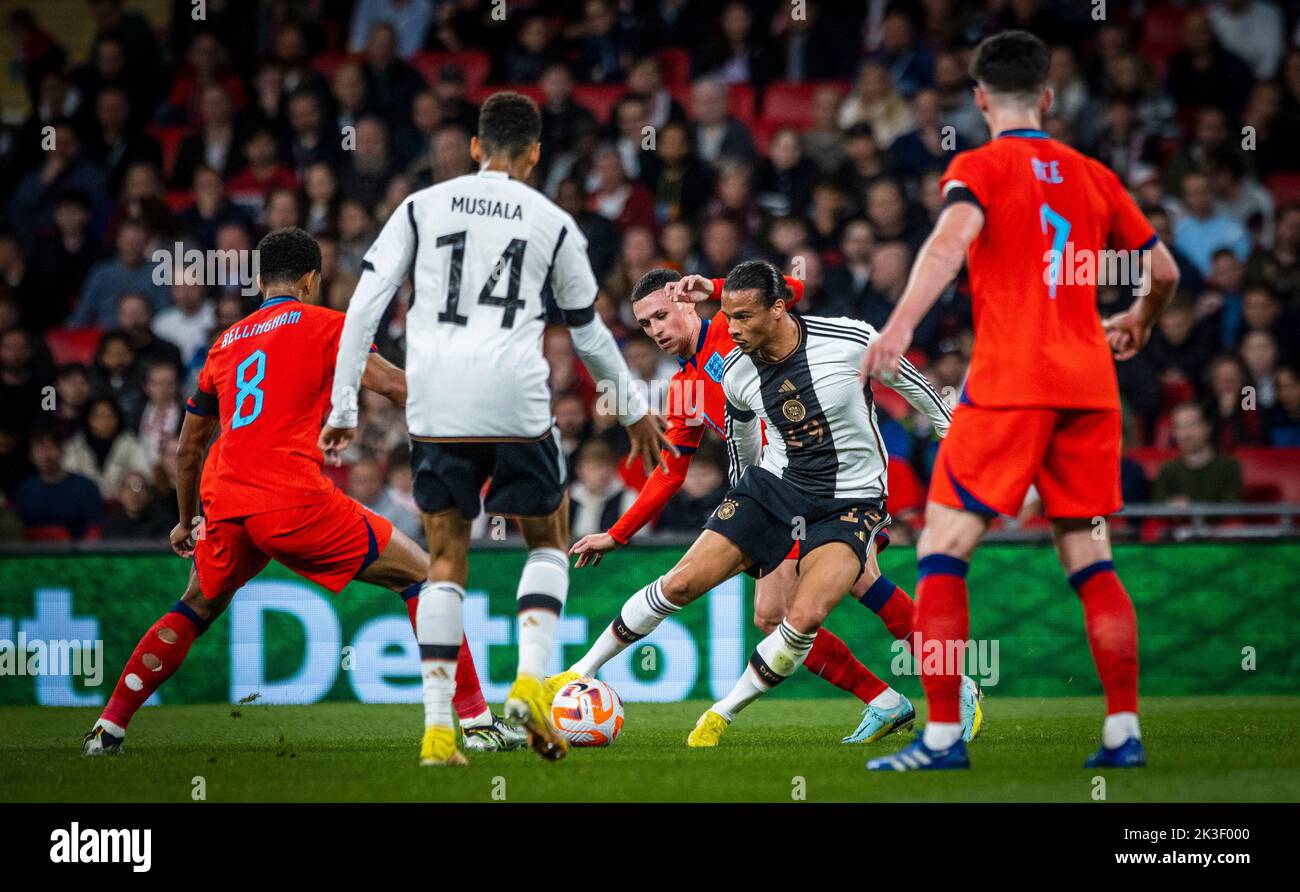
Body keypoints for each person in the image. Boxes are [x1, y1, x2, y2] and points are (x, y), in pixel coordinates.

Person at [862, 30, 1180, 771]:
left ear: (978, 99)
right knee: (1091, 559)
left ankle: (941, 738)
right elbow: (1160, 269)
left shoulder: (979, 164)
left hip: (1010, 385)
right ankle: (1122, 733)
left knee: (941, 553)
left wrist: (900, 326)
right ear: (1046, 95)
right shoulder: (1093, 173)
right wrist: (1139, 318)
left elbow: (950, 237)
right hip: (1091, 390)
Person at [322, 92, 670, 766]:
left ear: (476, 148)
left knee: (445, 561)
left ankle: (435, 729)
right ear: (535, 154)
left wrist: (342, 406)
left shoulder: (421, 207)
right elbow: (589, 332)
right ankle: (531, 681)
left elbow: (363, 307)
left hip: (437, 398)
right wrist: (631, 408)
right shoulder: (553, 220)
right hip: (514, 392)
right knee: (548, 538)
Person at [84, 228, 521, 757]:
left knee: (195, 604)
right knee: (425, 578)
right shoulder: (328, 325)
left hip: (225, 500)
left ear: (262, 280)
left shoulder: (224, 343)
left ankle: (109, 728)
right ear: (312, 279)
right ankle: (477, 723)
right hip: (290, 498)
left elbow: (188, 447)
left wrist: (184, 520)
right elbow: (396, 387)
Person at [561, 266, 978, 745]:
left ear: (688, 304)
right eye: (645, 324)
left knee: (827, 596)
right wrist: (619, 532)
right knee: (814, 601)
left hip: (837, 485)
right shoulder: (686, 388)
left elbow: (789, 289)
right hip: (778, 489)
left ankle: (929, 691)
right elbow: (672, 471)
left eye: (661, 316)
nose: (655, 331)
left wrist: (715, 288)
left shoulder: (731, 326)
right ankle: (897, 698)